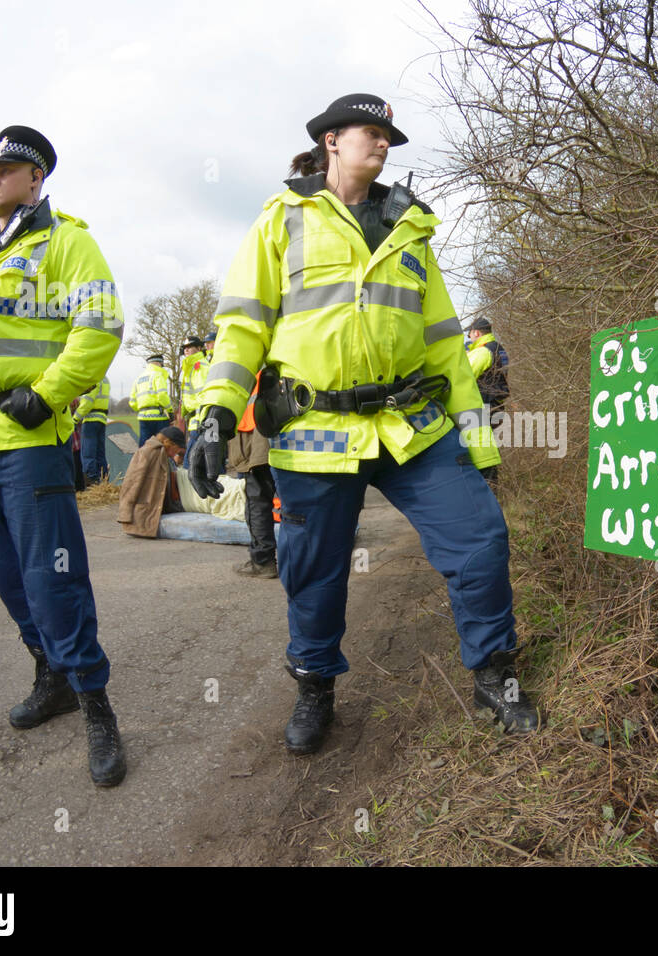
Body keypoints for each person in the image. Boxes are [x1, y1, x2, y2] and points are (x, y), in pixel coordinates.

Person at [191, 94, 541, 755]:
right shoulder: (281, 221)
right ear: (331, 140)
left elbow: (443, 341)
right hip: (316, 432)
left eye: (388, 136)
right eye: (370, 133)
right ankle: (315, 685)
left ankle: (495, 672)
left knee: (480, 540)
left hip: (413, 426)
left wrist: (477, 436)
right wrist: (213, 411)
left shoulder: (410, 229)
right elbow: (240, 327)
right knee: (314, 571)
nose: (383, 144)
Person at [0, 125, 127, 786]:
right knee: (8, 576)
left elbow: (101, 322)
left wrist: (48, 394)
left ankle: (95, 704)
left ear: (36, 177)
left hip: (29, 440)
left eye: (6, 168)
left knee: (53, 578)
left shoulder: (66, 242)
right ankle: (48, 673)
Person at [227, 374, 278, 577]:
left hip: (257, 436)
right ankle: (309, 562)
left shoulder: (247, 356)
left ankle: (263, 562)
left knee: (258, 500)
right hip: (290, 432)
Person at [465, 316, 510, 487]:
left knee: (479, 453)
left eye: (469, 334)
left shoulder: (482, 352)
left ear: (476, 333)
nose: (469, 338)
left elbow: (464, 377)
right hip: (496, 406)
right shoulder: (499, 349)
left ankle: (486, 489)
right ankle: (492, 489)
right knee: (488, 449)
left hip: (483, 407)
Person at [130, 353, 172, 446]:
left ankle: (144, 461)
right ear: (159, 363)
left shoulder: (138, 379)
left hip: (143, 417)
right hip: (159, 417)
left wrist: (142, 410)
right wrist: (170, 410)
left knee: (144, 446)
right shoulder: (158, 375)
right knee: (162, 446)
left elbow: (132, 402)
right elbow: (162, 396)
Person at [75, 376, 110, 484]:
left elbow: (87, 402)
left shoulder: (92, 377)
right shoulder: (105, 378)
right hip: (102, 418)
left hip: (90, 419)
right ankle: (104, 479)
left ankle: (91, 480)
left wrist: (75, 418)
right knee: (100, 452)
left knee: (87, 452)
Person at [179, 335, 208, 461]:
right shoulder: (189, 367)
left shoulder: (200, 366)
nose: (186, 350)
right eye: (185, 347)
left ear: (199, 348)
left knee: (190, 461)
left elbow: (205, 394)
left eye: (190, 347)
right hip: (195, 419)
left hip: (202, 420)